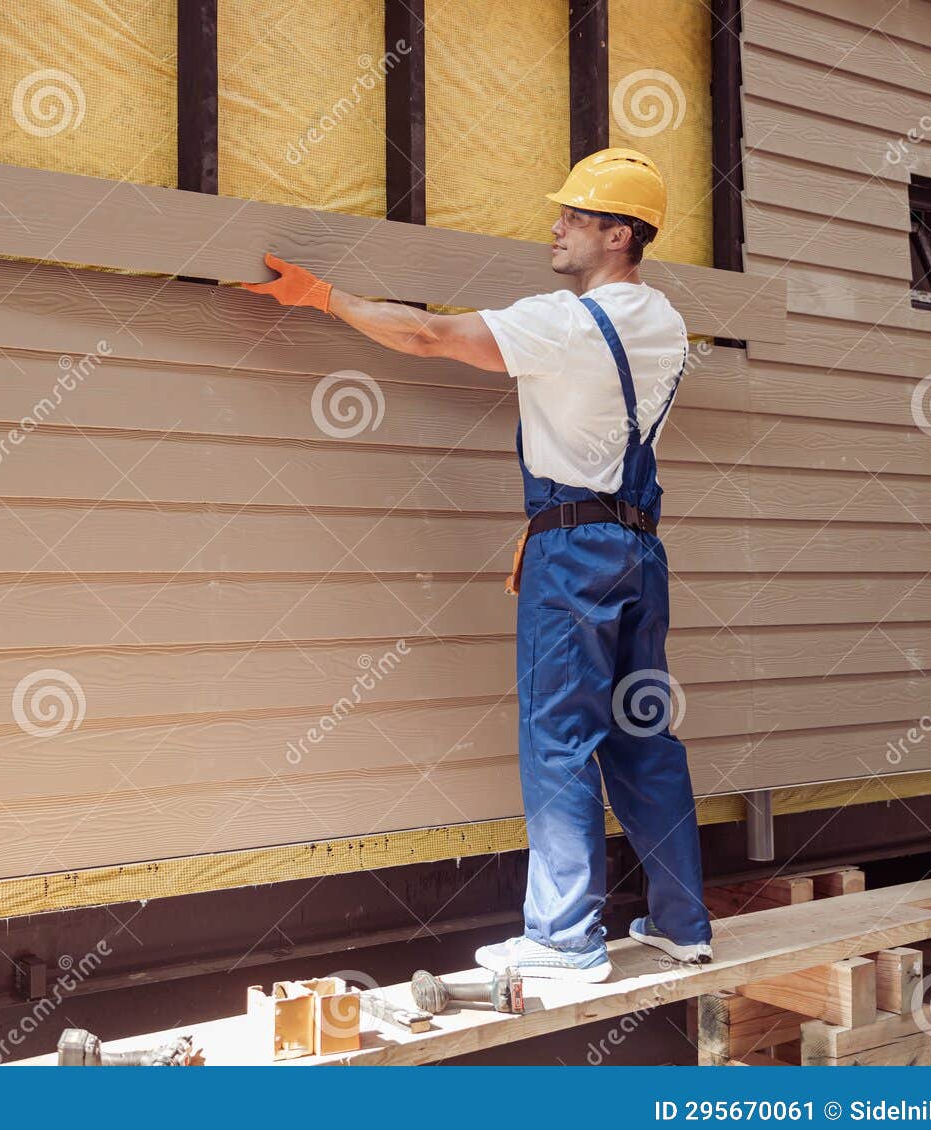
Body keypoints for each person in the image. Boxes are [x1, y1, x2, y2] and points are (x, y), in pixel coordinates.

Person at [241, 148, 712, 983]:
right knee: (644, 734)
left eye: (572, 215)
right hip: (641, 549)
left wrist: (324, 296)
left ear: (615, 234)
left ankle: (565, 940)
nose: (555, 226)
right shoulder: (667, 324)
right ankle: (682, 922)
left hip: (573, 555)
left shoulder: (563, 325)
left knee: (560, 738)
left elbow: (426, 335)